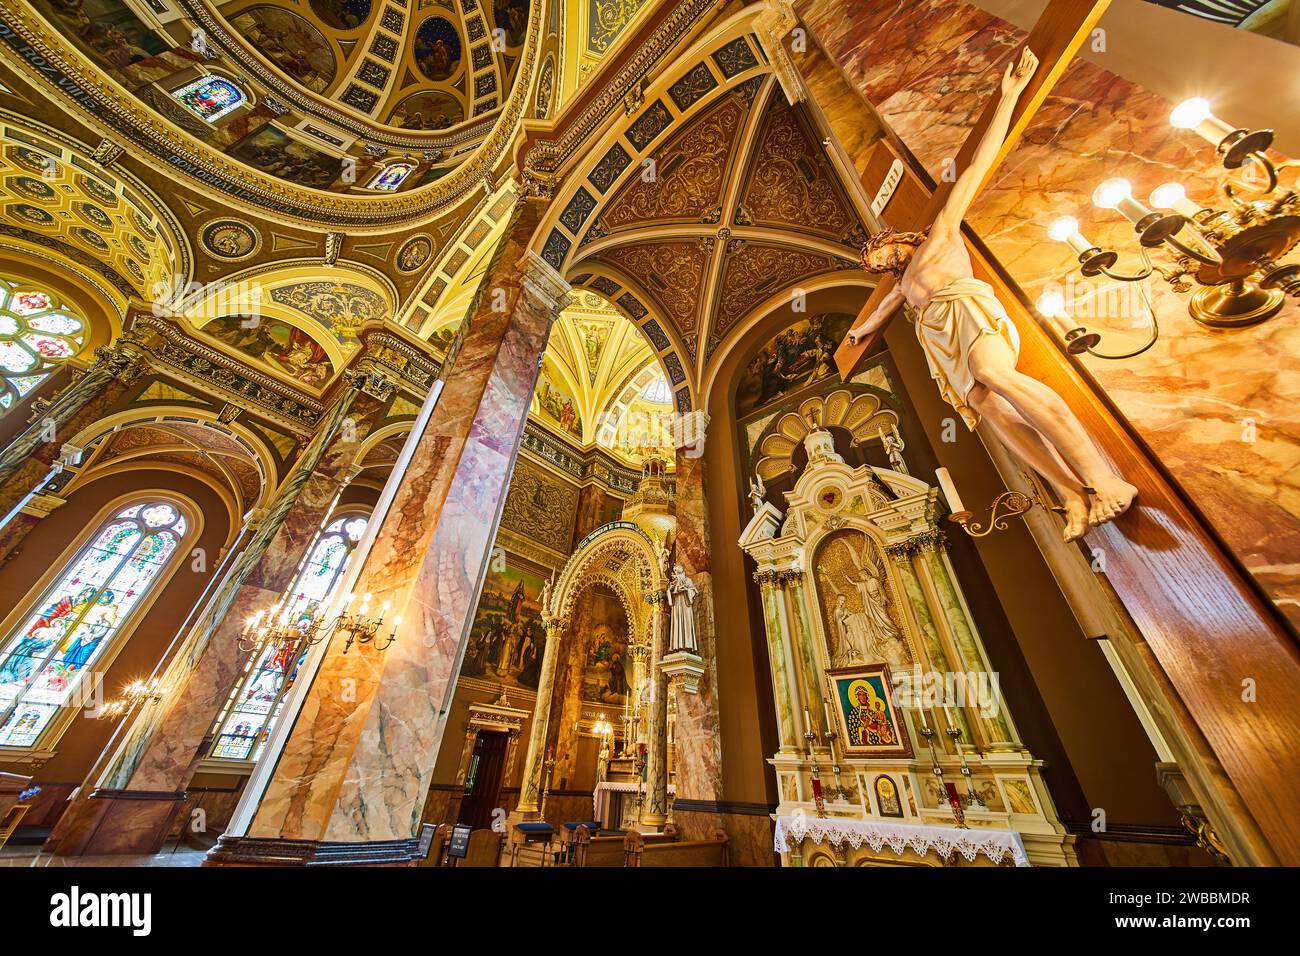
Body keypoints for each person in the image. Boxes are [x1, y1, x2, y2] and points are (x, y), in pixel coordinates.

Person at [846, 47, 1136, 542]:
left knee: (993, 374)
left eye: (882, 252)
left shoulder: (939, 234)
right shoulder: (903, 285)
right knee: (988, 405)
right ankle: (1069, 492)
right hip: (940, 339)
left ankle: (1104, 477)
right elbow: (884, 308)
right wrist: (860, 329)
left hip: (967, 315)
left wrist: (1008, 97)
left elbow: (976, 169)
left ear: (899, 239)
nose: (881, 262)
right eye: (875, 263)